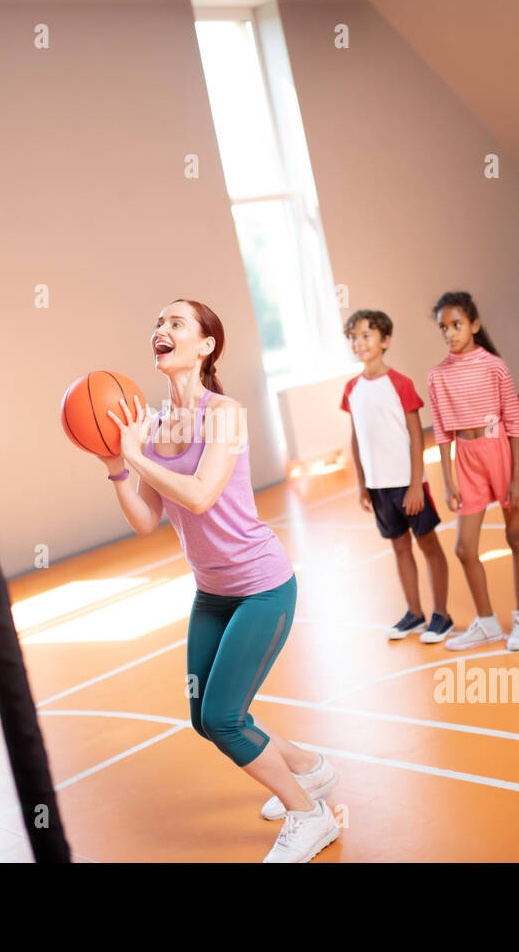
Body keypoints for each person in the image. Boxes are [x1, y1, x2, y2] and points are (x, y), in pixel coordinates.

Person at [102, 298, 340, 862]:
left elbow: (203, 494)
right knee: (203, 716)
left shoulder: (224, 413)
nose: (161, 328)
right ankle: (311, 769)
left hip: (262, 586)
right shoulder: (155, 427)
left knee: (223, 719)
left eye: (175, 323)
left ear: (206, 345)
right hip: (211, 594)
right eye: (157, 321)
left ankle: (310, 816)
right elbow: (145, 521)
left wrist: (137, 457)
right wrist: (117, 466)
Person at [426, 292, 519, 651]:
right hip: (467, 460)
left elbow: (515, 423)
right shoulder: (437, 376)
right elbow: (442, 433)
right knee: (464, 548)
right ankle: (487, 622)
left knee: (515, 536)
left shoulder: (494, 366)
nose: (450, 333)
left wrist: (517, 476)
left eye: (456, 324)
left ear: (473, 324)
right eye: (443, 327)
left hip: (499, 452)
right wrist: (448, 482)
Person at [341, 309, 452, 641]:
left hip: (407, 483)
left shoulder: (400, 383)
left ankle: (442, 615)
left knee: (428, 545)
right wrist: (362, 483)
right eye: (354, 337)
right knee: (399, 548)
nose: (359, 343)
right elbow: (356, 437)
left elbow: (417, 436)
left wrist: (417, 483)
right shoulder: (351, 388)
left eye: (366, 335)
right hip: (378, 488)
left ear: (385, 340)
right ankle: (414, 613)